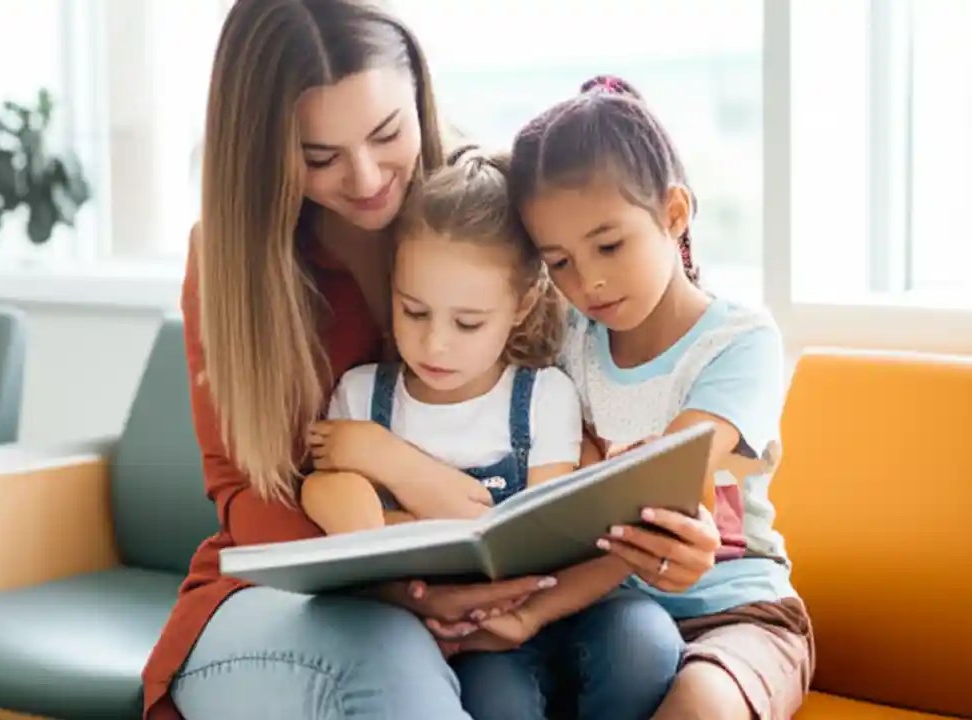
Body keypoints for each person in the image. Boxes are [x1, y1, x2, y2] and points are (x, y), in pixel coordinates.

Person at [142, 0, 724, 715]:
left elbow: (634, 369)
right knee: (393, 659)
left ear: (418, 93)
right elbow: (244, 495)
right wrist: (403, 578)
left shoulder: (491, 208)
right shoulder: (230, 261)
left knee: (637, 648)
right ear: (262, 152)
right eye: (319, 156)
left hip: (521, 596)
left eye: (387, 133)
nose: (363, 178)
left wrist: (685, 524)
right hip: (290, 600)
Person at [301, 148, 686, 720]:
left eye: (468, 322)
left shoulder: (541, 396)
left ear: (523, 303)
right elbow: (332, 509)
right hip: (466, 628)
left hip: (560, 601)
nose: (435, 345)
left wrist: (400, 473)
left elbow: (545, 538)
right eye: (413, 311)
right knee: (495, 698)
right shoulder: (361, 398)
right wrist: (367, 485)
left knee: (644, 644)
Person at [508, 75, 816, 720]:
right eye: (558, 262)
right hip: (609, 613)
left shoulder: (740, 339)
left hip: (736, 613)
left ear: (674, 214)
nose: (587, 279)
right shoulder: (569, 338)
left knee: (700, 706)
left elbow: (663, 478)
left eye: (609, 244)